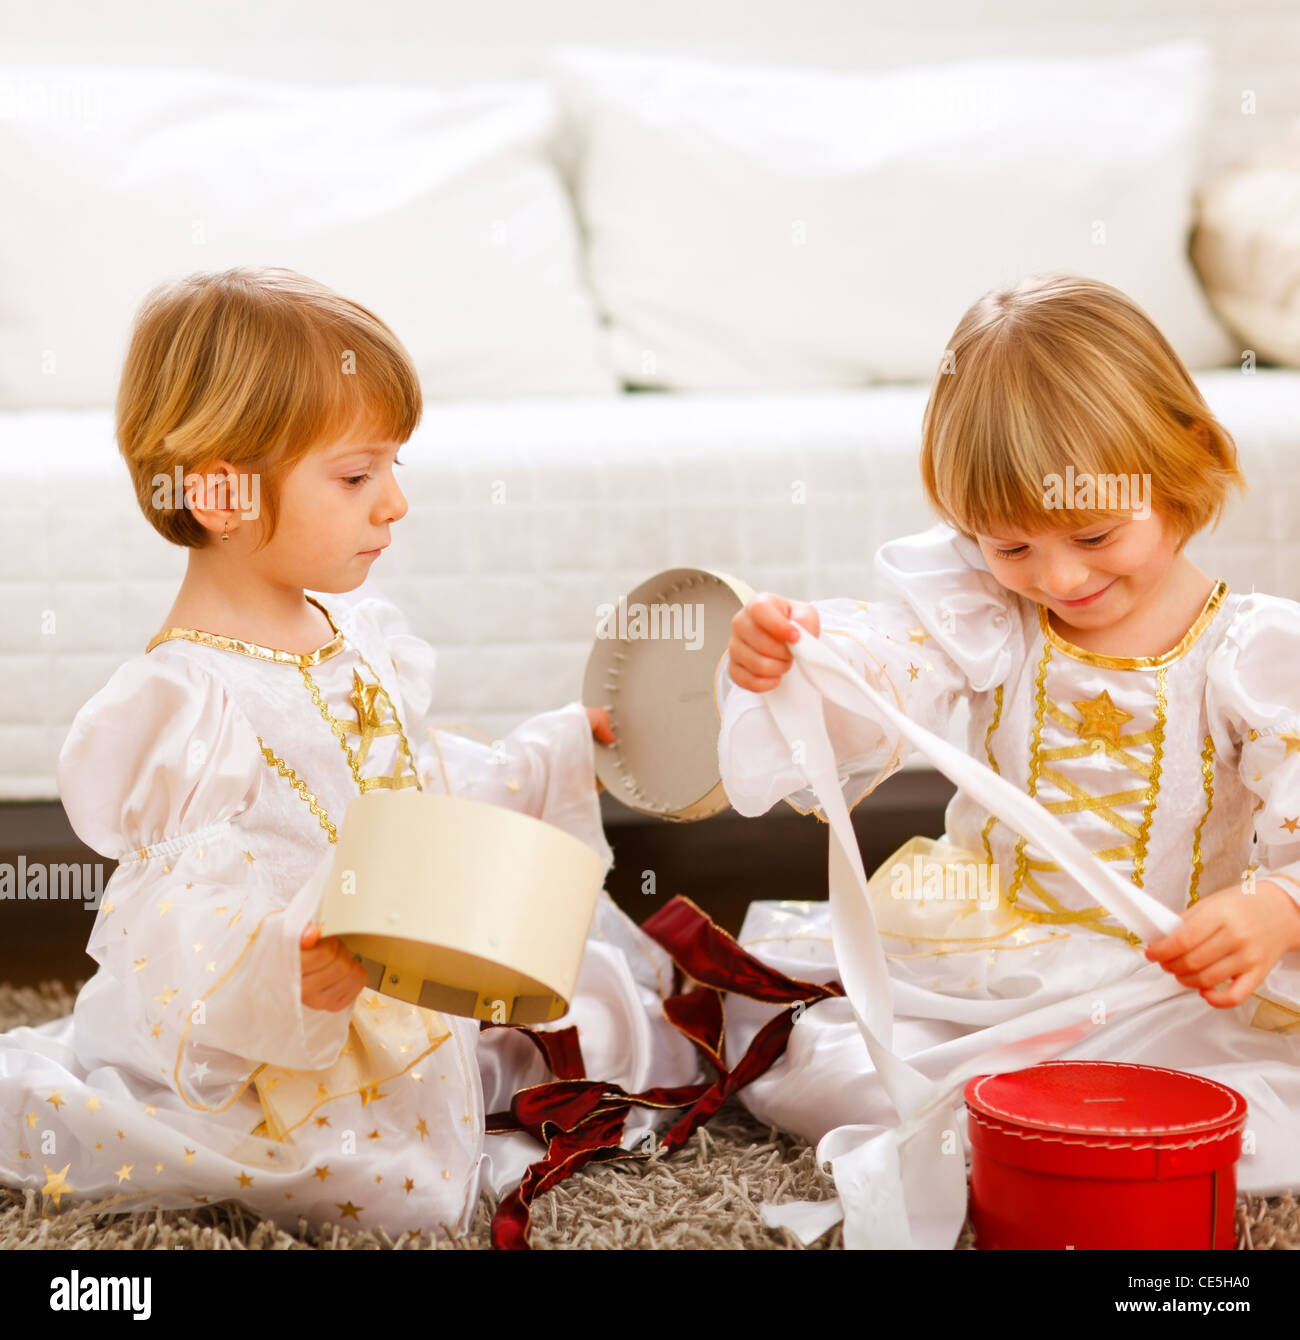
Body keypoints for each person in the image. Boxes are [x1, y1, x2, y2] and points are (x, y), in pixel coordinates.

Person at [0, 265, 699, 1240]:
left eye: (394, 466)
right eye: (358, 474)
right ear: (220, 492)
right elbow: (177, 923)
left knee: (612, 1012)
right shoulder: (186, 703)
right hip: (275, 1023)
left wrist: (547, 753)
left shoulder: (358, 636)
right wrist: (288, 972)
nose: (396, 503)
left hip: (387, 985)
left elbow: (417, 790)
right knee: (386, 1185)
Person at [715, 272, 1300, 1208]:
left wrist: (1276, 908)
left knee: (1241, 1120)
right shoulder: (990, 614)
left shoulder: (1255, 654)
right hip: (997, 961)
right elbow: (887, 667)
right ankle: (1017, 1112)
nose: (1058, 577)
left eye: (1095, 534)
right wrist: (801, 658)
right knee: (837, 1064)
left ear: (1187, 455)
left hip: (1168, 988)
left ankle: (1047, 1120)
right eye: (1009, 545)